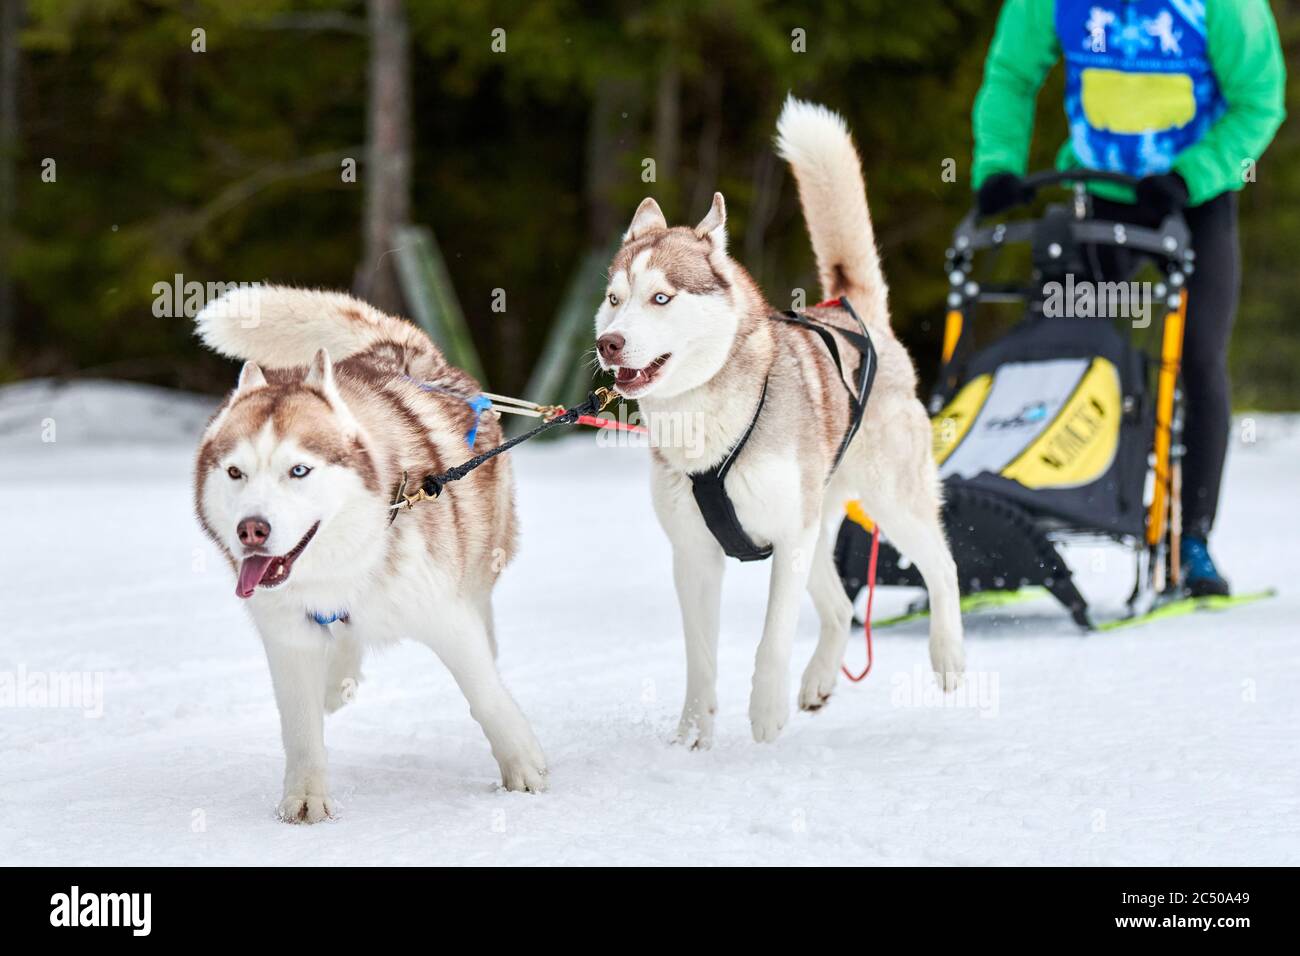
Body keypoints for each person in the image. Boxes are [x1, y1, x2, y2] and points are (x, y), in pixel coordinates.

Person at [971, 0, 1286, 596]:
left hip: (1194, 197)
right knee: (1065, 348)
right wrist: (997, 165)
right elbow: (1012, 75)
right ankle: (1025, 517)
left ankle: (1190, 541)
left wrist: (1192, 175)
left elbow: (1260, 100)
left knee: (1198, 359)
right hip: (1096, 193)